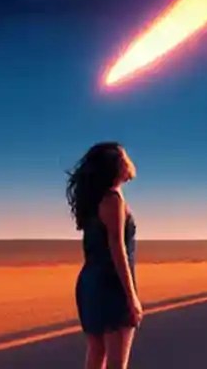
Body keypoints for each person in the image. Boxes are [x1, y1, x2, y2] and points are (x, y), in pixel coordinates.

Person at [68, 142, 141, 369]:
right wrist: (131, 297)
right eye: (124, 157)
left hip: (90, 283)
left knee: (97, 353)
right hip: (111, 284)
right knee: (116, 363)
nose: (129, 161)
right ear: (116, 165)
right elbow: (117, 249)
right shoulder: (112, 200)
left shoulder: (98, 200)